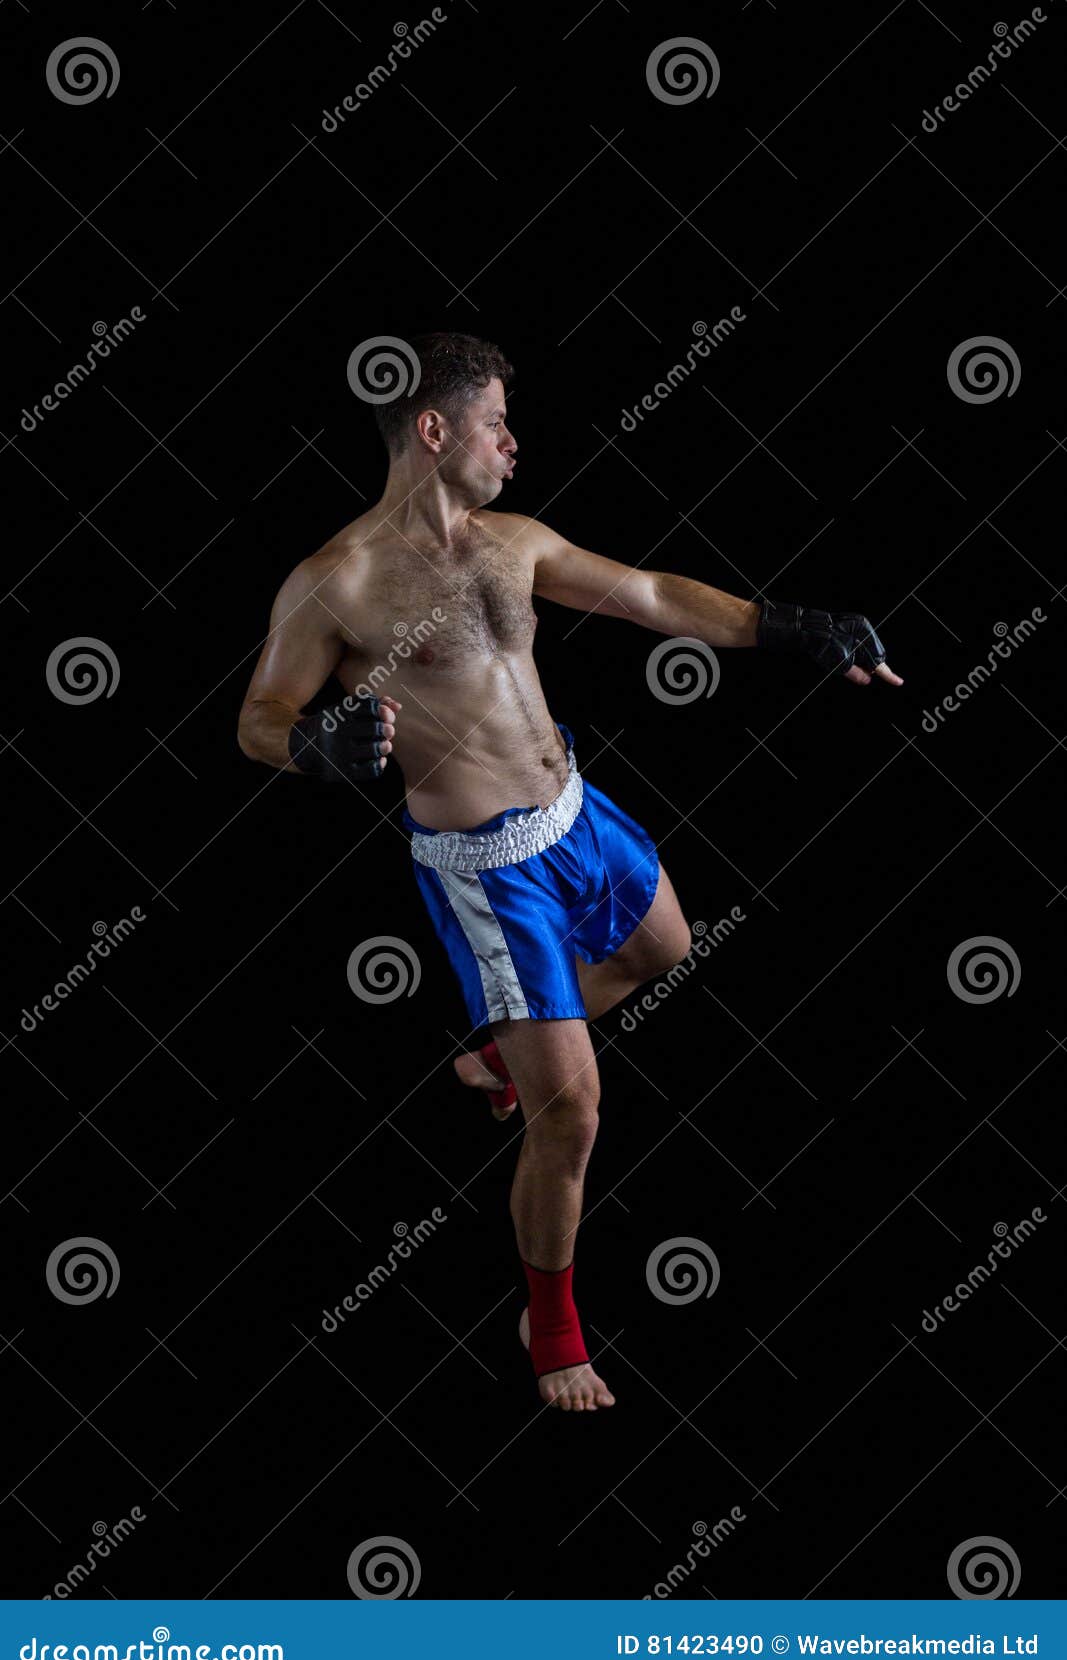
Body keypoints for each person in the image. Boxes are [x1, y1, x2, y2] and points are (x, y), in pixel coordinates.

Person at [237, 331, 902, 1413]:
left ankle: (504, 1061)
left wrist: (789, 625)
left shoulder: (513, 542)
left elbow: (646, 595)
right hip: (491, 875)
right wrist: (309, 744)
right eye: (496, 420)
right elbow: (258, 717)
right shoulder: (337, 582)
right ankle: (550, 1326)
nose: (513, 441)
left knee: (666, 948)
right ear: (434, 428)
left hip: (575, 815)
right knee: (576, 1113)